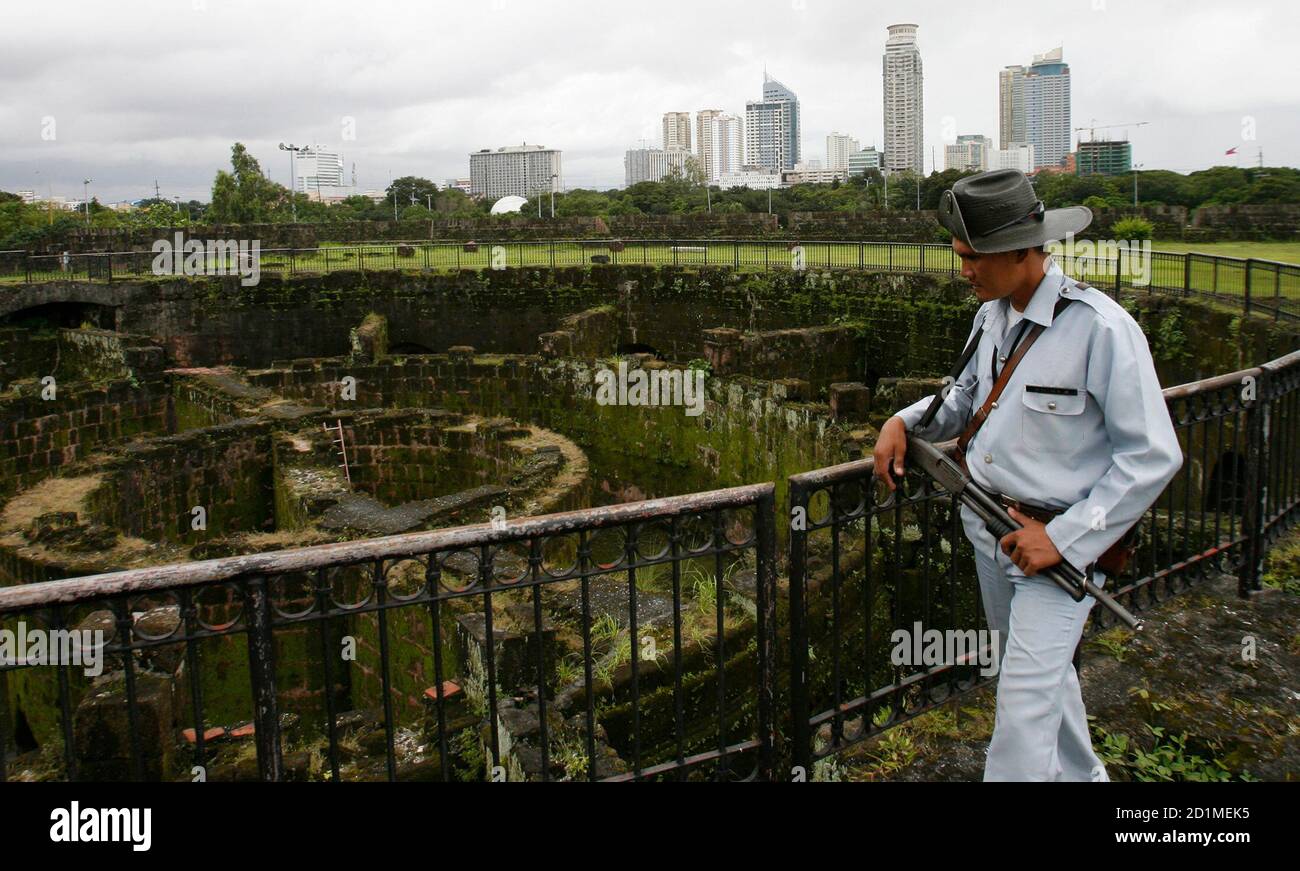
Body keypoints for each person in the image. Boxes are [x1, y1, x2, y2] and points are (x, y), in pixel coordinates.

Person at [870, 168, 1183, 781]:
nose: (963, 270)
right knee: (1033, 675)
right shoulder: (992, 315)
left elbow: (1152, 454)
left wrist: (1062, 539)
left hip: (1053, 551)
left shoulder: (1101, 329)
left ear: (1022, 249)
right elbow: (962, 401)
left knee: (1019, 708)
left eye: (973, 256)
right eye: (958, 254)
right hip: (991, 532)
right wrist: (901, 422)